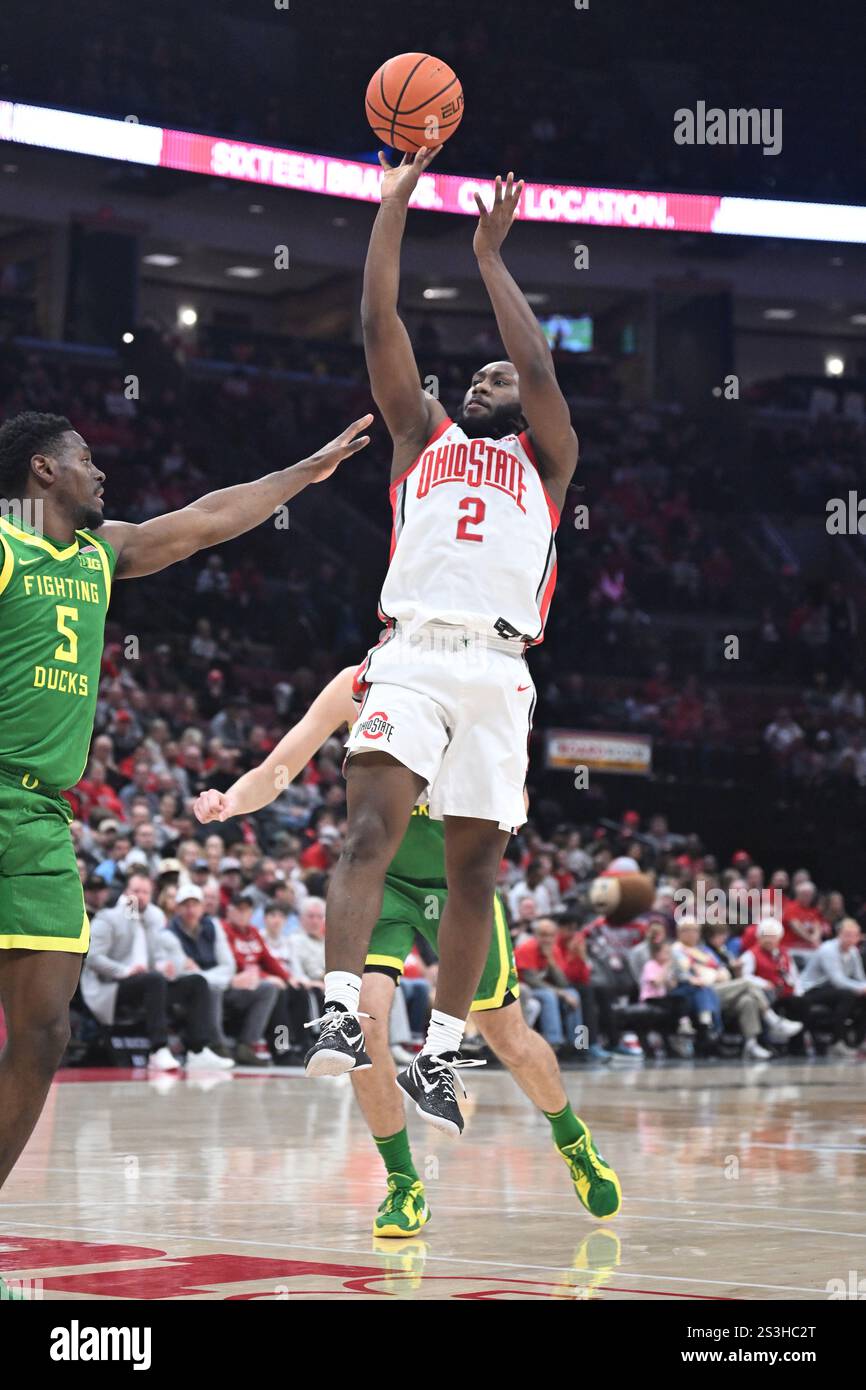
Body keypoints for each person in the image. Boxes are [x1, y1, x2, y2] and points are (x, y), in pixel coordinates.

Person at [0, 406, 371, 1194]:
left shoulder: (101, 551)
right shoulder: (2, 541)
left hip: (39, 820)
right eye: (85, 458)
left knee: (42, 1031)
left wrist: (303, 472)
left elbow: (204, 522)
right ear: (42, 469)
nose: (101, 472)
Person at [299, 147, 579, 1135]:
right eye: (475, 371)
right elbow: (380, 324)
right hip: (413, 651)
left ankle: (442, 1054)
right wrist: (391, 206)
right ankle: (335, 1008)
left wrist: (487, 257)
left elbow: (538, 364)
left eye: (494, 375)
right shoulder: (422, 438)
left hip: (499, 669)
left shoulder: (549, 464)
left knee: (473, 877)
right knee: (367, 832)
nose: (484, 377)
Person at [194, 666, 620, 1230]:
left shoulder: (484, 678)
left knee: (506, 1035)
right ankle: (401, 1180)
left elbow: (513, 787)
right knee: (363, 1024)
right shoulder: (358, 683)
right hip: (383, 882)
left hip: (456, 883)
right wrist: (232, 800)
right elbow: (283, 764)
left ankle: (572, 1139)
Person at [82, 871, 232, 1071]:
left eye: (145, 892)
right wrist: (125, 970)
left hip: (150, 984)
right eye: (136, 891)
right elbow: (92, 957)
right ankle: (158, 1049)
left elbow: (160, 954)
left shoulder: (155, 916)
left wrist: (165, 965)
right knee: (154, 979)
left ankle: (198, 1050)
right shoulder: (108, 917)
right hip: (112, 986)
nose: (140, 896)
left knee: (196, 982)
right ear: (126, 892)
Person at [799, 919, 866, 1056]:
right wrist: (861, 988)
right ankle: (837, 1042)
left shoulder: (853, 952)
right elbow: (838, 981)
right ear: (839, 934)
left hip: (834, 990)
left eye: (854, 935)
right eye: (847, 934)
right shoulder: (828, 950)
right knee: (847, 995)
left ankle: (859, 1041)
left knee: (858, 997)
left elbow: (860, 978)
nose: (851, 938)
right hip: (812, 990)